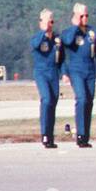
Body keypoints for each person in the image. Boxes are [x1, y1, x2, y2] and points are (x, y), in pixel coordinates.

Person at [60, 2, 96, 148]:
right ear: (75, 16)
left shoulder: (92, 32)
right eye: (81, 16)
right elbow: (66, 42)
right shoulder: (69, 32)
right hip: (76, 70)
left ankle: (85, 135)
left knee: (89, 102)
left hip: (90, 70)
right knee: (82, 98)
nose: (85, 18)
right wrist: (75, 27)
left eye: (86, 15)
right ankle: (80, 134)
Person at [30, 8, 63, 149]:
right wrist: (44, 32)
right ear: (41, 22)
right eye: (47, 21)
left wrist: (65, 73)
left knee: (53, 103)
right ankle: (44, 134)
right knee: (47, 99)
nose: (50, 24)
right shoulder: (38, 37)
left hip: (53, 73)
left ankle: (50, 135)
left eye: (52, 21)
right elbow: (36, 45)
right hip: (41, 73)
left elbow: (61, 58)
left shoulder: (56, 39)